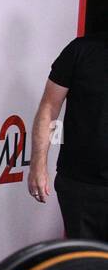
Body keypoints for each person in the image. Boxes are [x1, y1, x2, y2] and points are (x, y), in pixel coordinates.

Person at [29, 31, 108, 239]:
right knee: (85, 268)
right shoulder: (80, 51)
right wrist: (39, 164)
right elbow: (50, 107)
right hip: (81, 187)